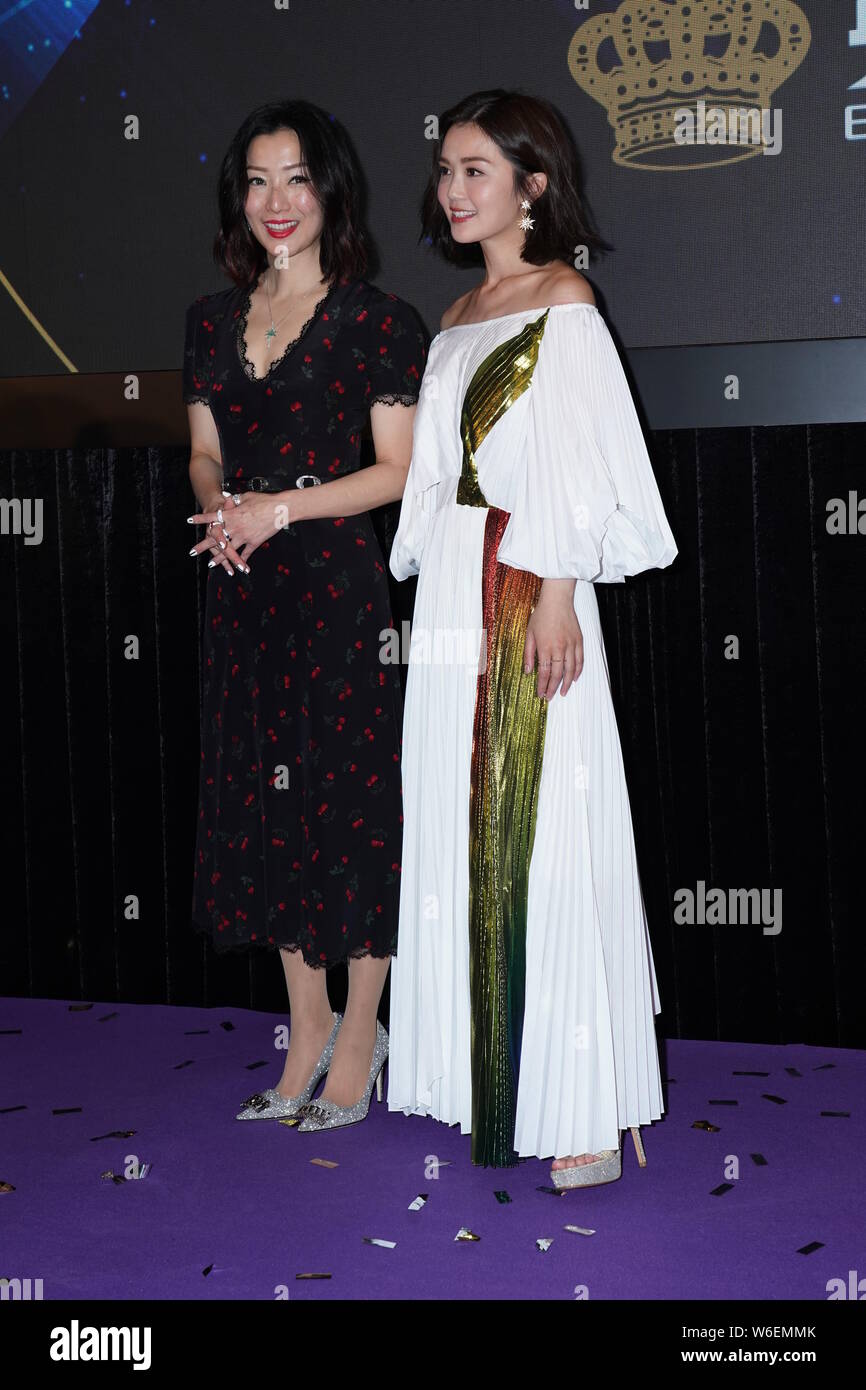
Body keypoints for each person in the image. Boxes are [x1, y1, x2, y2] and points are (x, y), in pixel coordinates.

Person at [386, 89, 678, 1187]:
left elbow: (580, 459)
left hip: (528, 583)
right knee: (457, 821)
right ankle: (489, 1080)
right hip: (459, 591)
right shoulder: (457, 315)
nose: (453, 190)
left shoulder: (563, 300)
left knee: (548, 823)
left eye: (475, 170)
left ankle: (584, 1106)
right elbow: (430, 480)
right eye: (447, 169)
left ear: (532, 184)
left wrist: (555, 588)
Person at [182, 100, 427, 1131]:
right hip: (242, 588)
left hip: (334, 590)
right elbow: (201, 446)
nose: (276, 202)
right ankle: (304, 1028)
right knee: (270, 809)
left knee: (349, 809)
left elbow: (396, 473)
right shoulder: (206, 319)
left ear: (330, 189)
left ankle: (359, 1040)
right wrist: (218, 508)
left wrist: (277, 509)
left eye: (294, 178)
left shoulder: (376, 320)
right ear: (238, 196)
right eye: (255, 180)